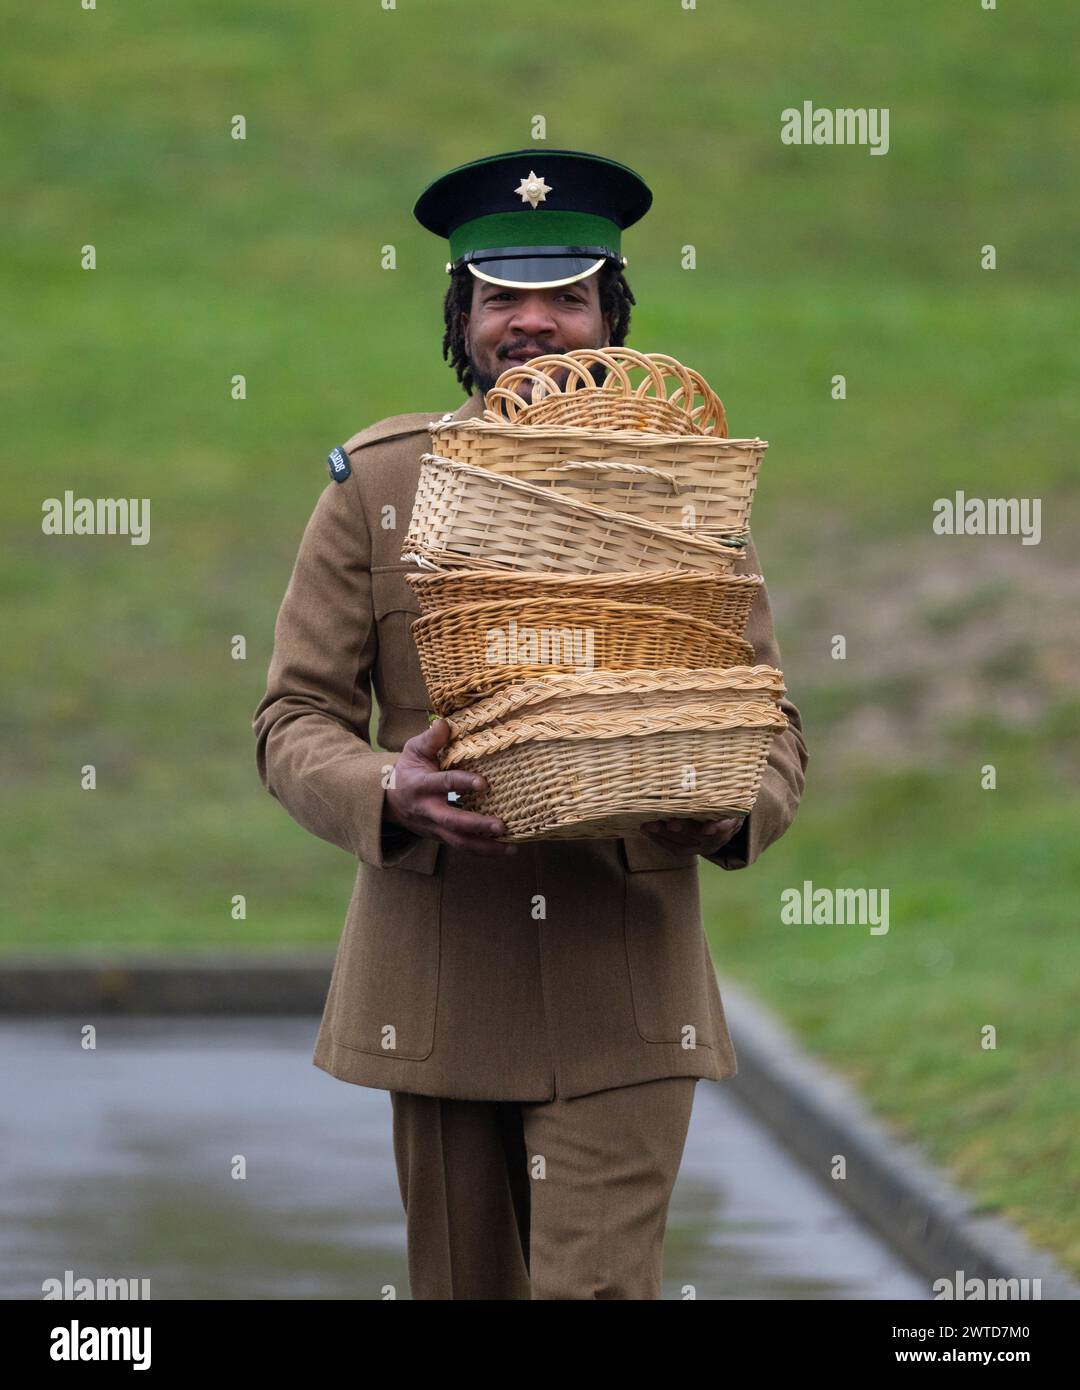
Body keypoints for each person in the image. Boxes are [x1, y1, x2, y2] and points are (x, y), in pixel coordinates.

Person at [252, 148, 808, 1300]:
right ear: (462, 317)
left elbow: (772, 723)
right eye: (504, 298)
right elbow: (293, 718)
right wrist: (382, 792)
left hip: (628, 983)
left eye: (569, 297)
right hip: (441, 987)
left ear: (613, 316)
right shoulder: (379, 485)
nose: (536, 326)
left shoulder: (687, 487)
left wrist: (731, 807)